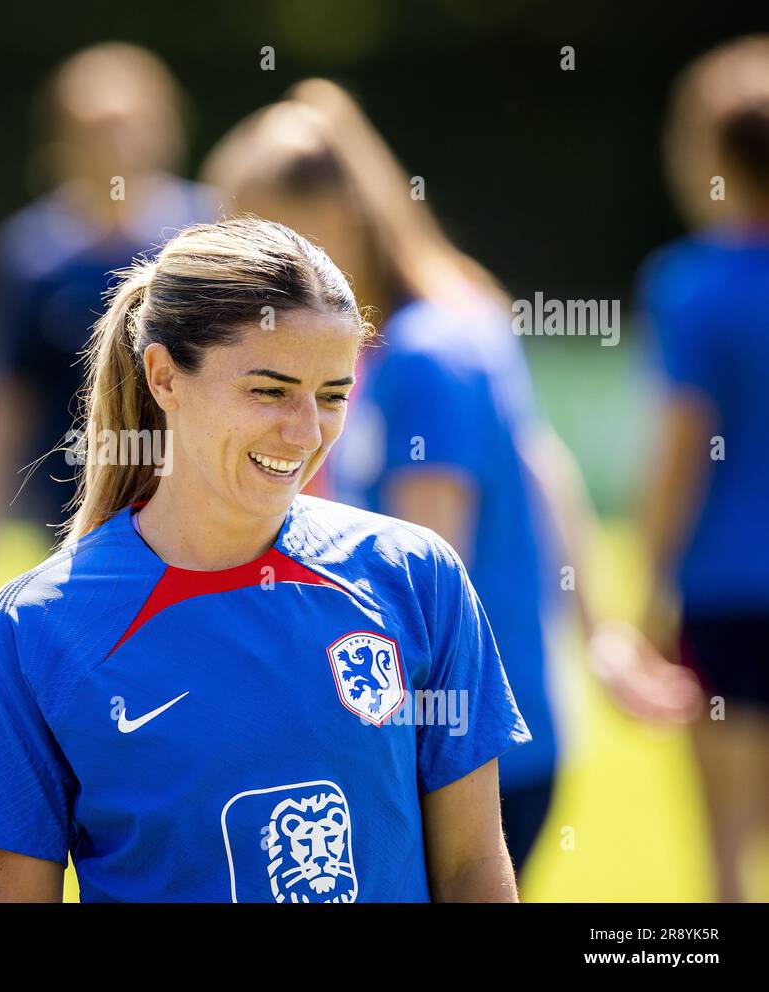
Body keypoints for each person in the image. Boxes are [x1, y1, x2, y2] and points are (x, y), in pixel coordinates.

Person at [0, 217, 531, 902]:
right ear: (164, 376)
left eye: (333, 395)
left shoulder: (415, 577)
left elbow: (471, 870)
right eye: (270, 390)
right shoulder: (34, 632)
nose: (307, 432)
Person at [200, 85, 698, 878]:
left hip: (454, 746)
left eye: (259, 234)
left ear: (332, 217)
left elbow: (420, 581)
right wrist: (597, 631)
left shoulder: (427, 355)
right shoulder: (435, 320)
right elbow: (545, 466)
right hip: (485, 729)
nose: (247, 271)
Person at [0, 42, 216, 542]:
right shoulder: (31, 254)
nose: (112, 145)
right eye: (93, 129)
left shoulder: (208, 236)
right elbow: (0, 394)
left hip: (204, 506)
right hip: (74, 517)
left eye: (126, 125)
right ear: (62, 138)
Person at [637, 35, 769, 902]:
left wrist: (652, 584)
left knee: (727, 859)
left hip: (728, 594)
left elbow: (684, 448)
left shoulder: (691, 284)